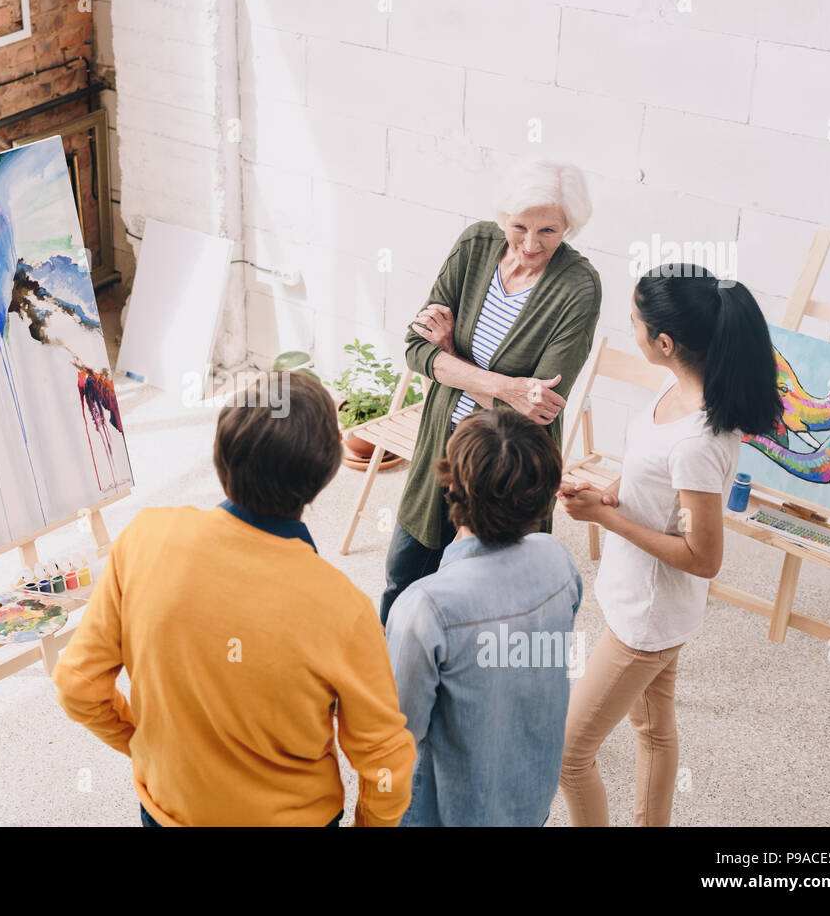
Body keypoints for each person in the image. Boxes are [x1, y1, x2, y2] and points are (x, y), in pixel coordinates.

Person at [52, 370, 416, 826]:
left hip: (167, 810)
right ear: (323, 477)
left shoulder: (143, 538)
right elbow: (386, 764)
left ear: (220, 452)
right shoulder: (345, 609)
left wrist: (143, 743)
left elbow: (77, 686)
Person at [556, 265, 782, 826]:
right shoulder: (675, 387)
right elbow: (650, 479)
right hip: (645, 602)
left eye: (634, 319)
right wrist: (608, 494)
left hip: (646, 620)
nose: (628, 324)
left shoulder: (699, 442)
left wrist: (605, 522)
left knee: (567, 755)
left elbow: (703, 557)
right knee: (653, 730)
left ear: (664, 342)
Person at [384, 157, 602, 627]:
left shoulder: (577, 286)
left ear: (570, 227)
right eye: (519, 226)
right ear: (503, 216)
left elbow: (536, 412)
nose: (529, 244)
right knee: (404, 580)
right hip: (441, 447)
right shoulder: (476, 244)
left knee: (489, 607)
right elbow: (415, 348)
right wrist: (505, 386)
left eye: (549, 231)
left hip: (508, 466)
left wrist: (452, 359)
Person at [387, 408, 583, 826]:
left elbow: (399, 734)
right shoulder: (559, 562)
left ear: (453, 485)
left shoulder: (424, 607)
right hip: (530, 799)